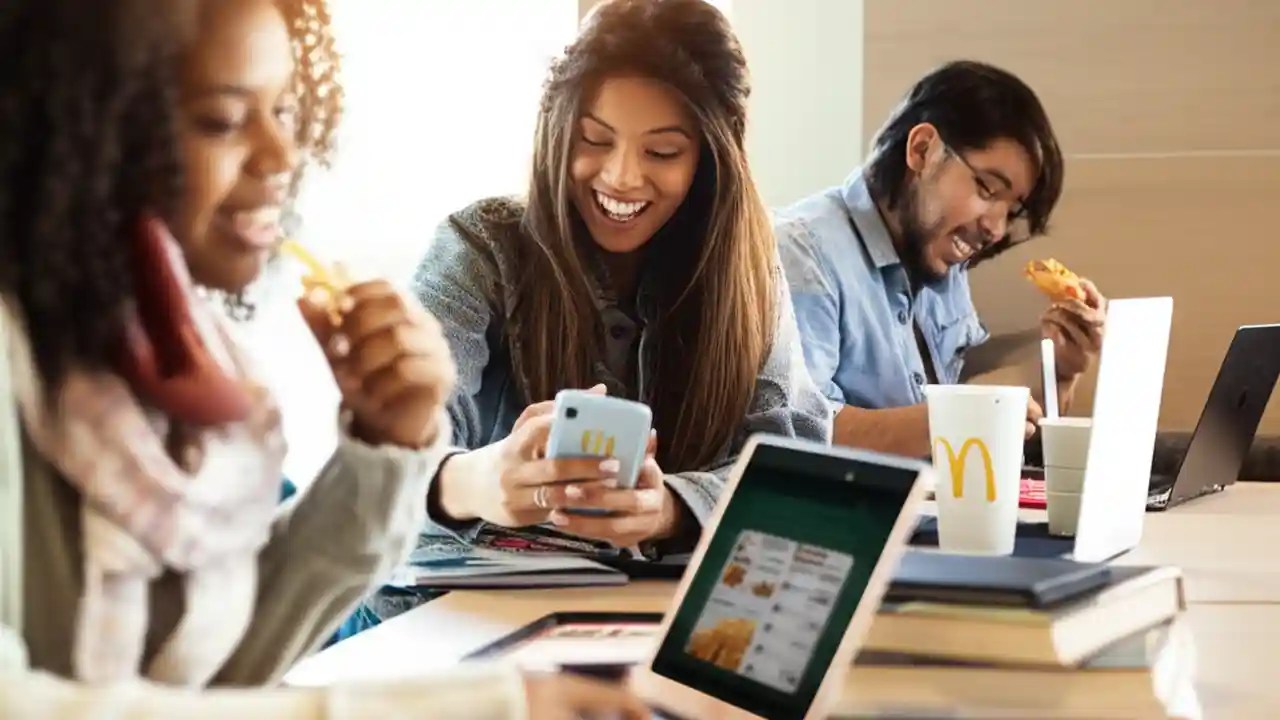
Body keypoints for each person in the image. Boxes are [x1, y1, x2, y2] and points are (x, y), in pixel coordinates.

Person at [0, 0, 646, 716]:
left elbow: (216, 672)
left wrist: (387, 447)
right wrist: (484, 707)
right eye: (222, 119)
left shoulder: (150, 342)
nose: (283, 156)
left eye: (284, 111)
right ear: (83, 130)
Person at [351, 0, 830, 627]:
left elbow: (795, 467)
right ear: (558, 130)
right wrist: (480, 481)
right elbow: (386, 453)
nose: (622, 177)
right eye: (594, 140)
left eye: (663, 152)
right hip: (439, 618)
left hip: (643, 617)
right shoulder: (482, 247)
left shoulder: (746, 272)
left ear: (710, 160)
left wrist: (669, 509)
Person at [777, 60, 1107, 458]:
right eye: (987, 189)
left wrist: (1060, 368)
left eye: (1011, 211)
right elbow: (794, 433)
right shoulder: (802, 253)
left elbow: (974, 406)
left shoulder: (939, 257)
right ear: (922, 150)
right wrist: (953, 420)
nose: (996, 229)